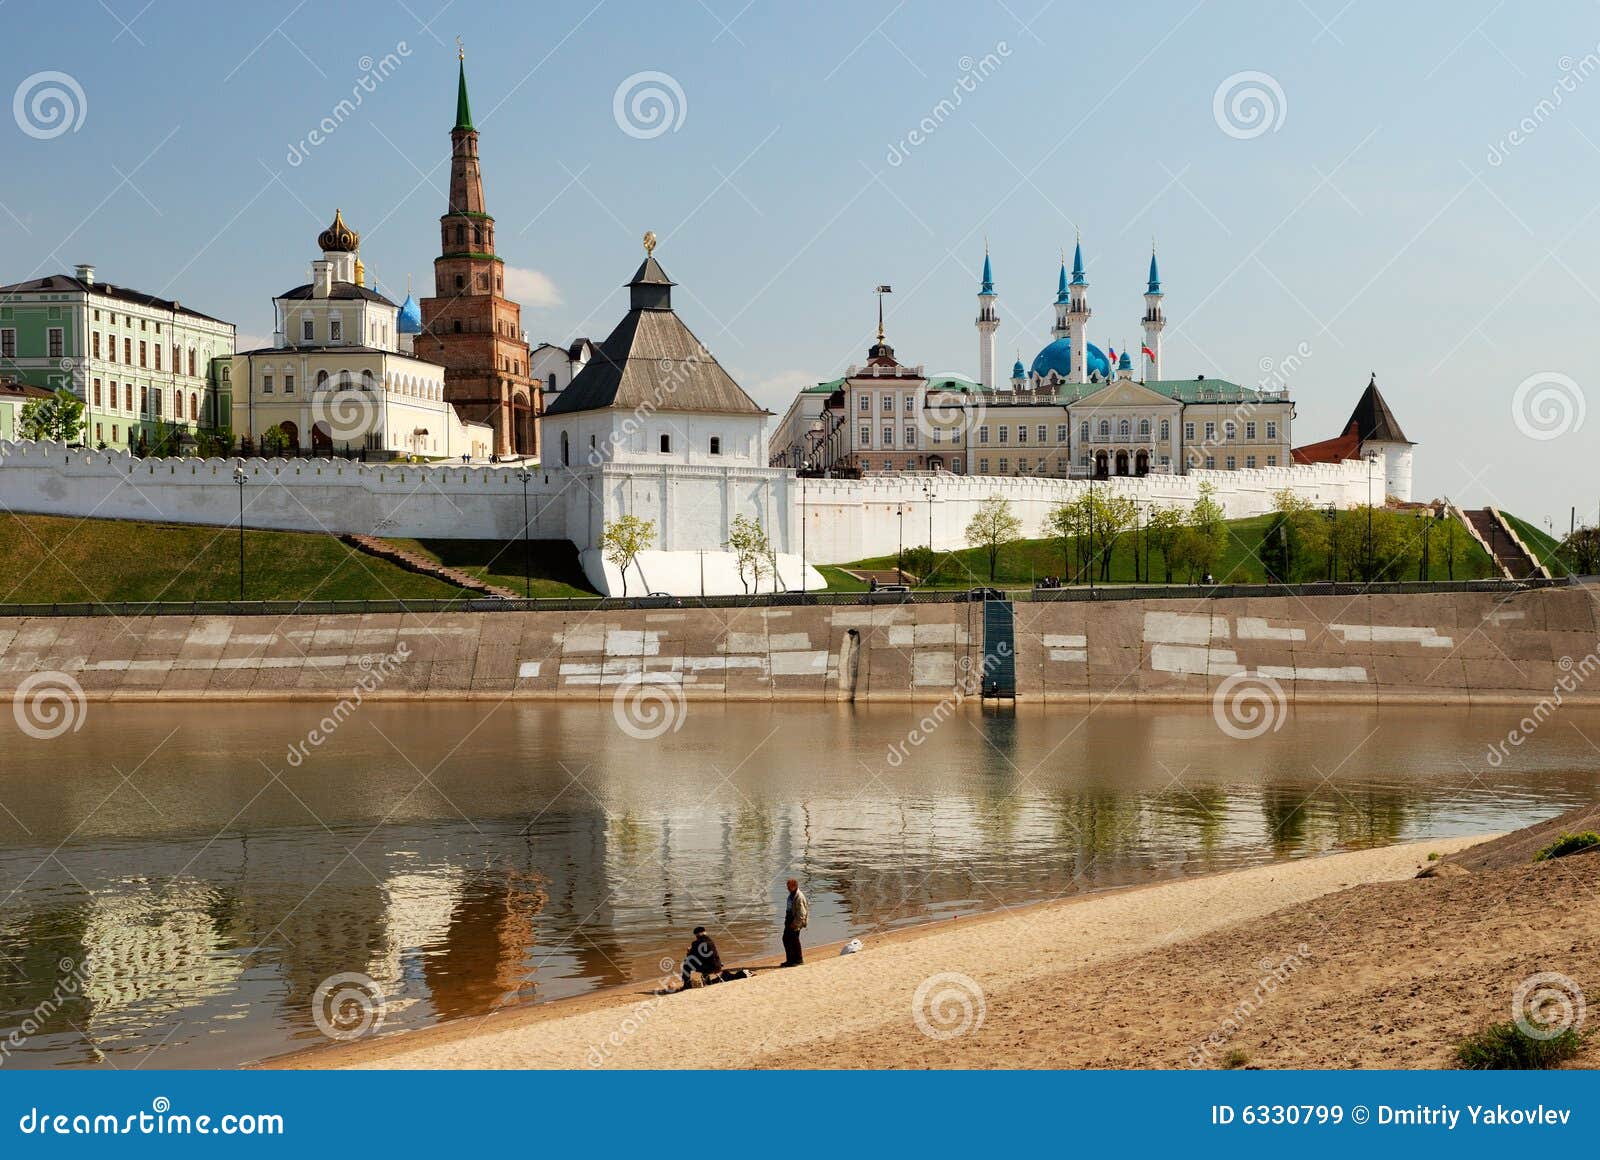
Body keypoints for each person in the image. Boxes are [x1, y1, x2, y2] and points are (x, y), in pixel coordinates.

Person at [781, 878, 808, 966]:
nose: (788, 889)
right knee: (791, 940)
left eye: (789, 887)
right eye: (787, 887)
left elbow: (802, 913)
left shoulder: (799, 897)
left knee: (790, 939)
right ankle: (793, 960)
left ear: (794, 886)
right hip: (790, 919)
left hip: (795, 921)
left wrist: (795, 923)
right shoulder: (792, 894)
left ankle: (795, 960)